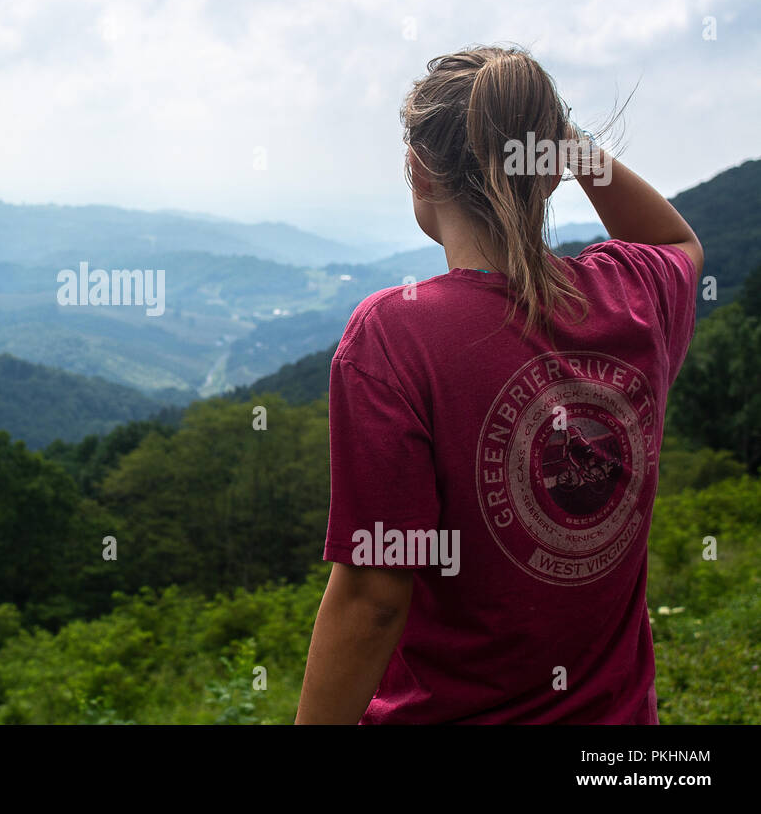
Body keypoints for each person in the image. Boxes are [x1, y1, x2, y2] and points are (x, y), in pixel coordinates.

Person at [295, 45, 703, 724]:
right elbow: (677, 244)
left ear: (417, 170)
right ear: (549, 172)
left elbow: (373, 596)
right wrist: (568, 148)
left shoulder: (395, 336)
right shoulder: (631, 298)